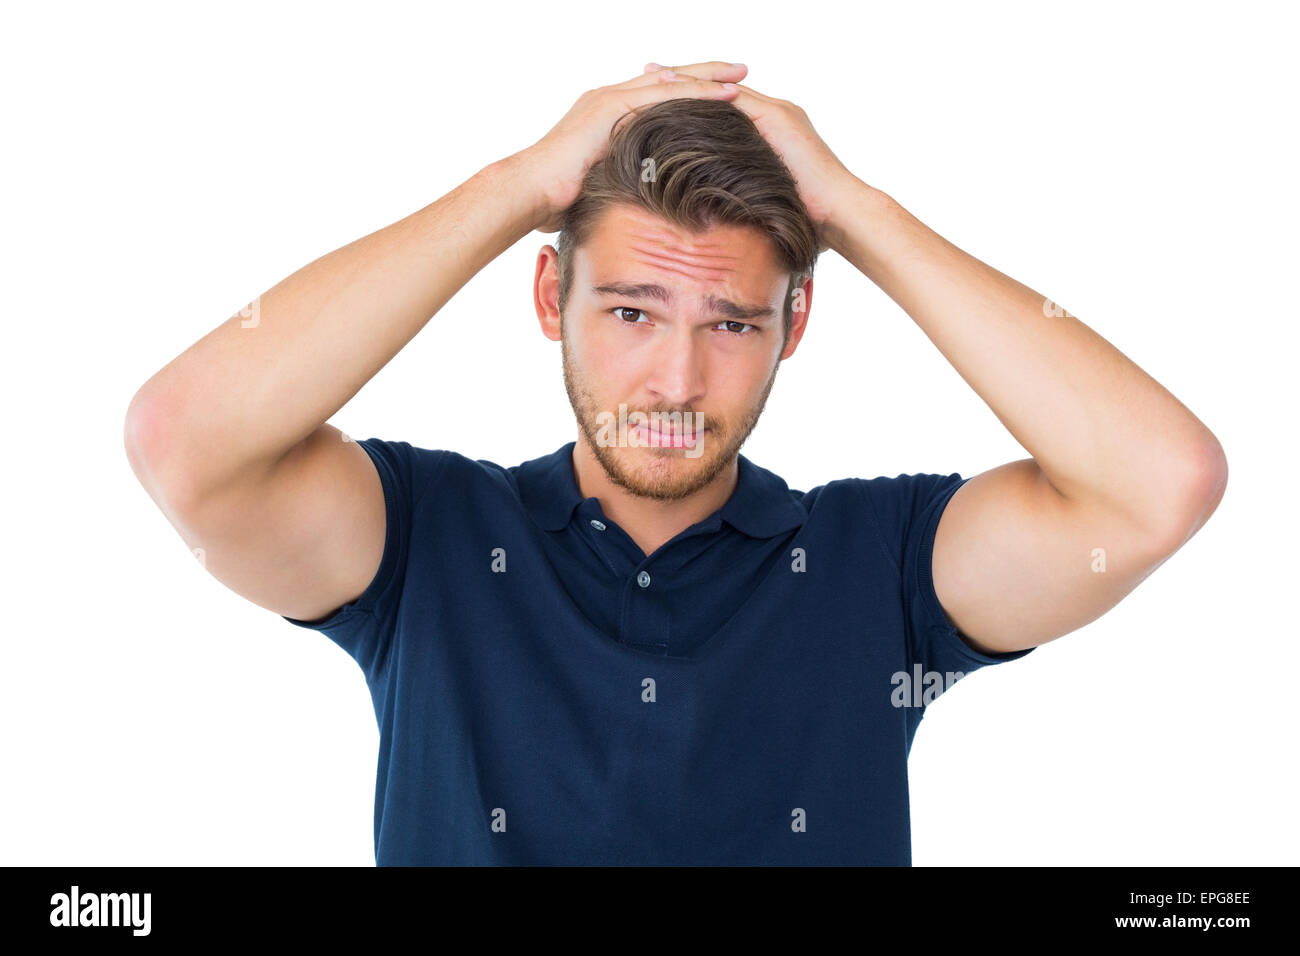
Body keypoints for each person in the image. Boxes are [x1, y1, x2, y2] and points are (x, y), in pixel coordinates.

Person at [123, 61, 1228, 865]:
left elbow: (1158, 481)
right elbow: (185, 441)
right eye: (630, 310)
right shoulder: (429, 540)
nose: (676, 379)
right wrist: (517, 185)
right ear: (551, 299)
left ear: (792, 329)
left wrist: (854, 210)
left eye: (733, 324)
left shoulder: (872, 567)